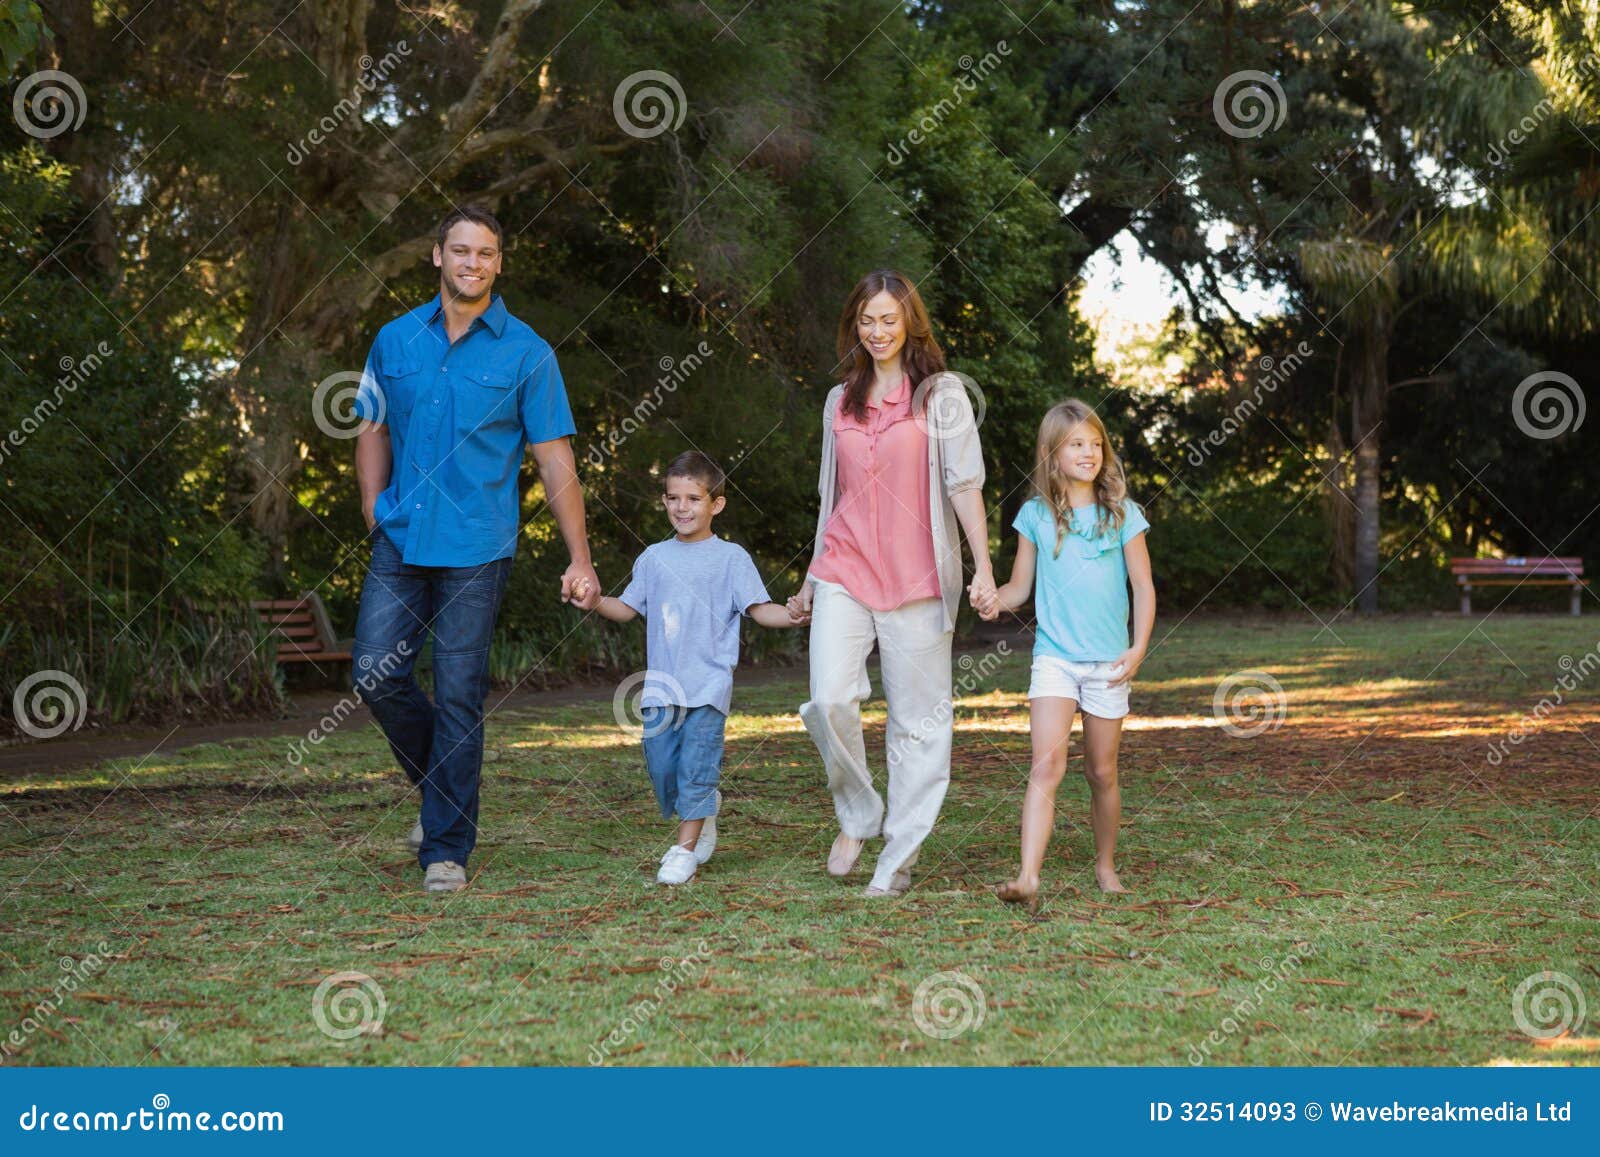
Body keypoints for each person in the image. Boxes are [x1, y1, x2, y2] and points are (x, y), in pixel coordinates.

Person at [351, 205, 599, 894]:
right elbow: (370, 424)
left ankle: (446, 850)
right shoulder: (394, 340)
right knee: (375, 671)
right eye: (460, 250)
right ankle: (442, 792)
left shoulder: (528, 352)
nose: (472, 263)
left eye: (485, 253)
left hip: (477, 547)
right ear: (437, 256)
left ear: (499, 262)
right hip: (401, 537)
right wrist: (372, 506)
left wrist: (580, 557)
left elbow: (556, 462)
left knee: (459, 692)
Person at [787, 269, 996, 898]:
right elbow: (833, 499)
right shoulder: (837, 402)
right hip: (845, 570)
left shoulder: (942, 395)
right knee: (828, 699)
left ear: (910, 323)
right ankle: (858, 813)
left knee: (918, 725)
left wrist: (983, 568)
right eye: (866, 320)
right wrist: (808, 583)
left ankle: (898, 857)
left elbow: (964, 485)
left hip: (919, 578)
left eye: (888, 319)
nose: (877, 332)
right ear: (855, 325)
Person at [574, 451, 802, 884]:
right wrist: (595, 601)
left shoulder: (731, 558)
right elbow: (626, 609)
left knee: (697, 767)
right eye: (673, 498)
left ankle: (684, 849)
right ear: (664, 502)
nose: (682, 507)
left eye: (693, 498)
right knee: (663, 768)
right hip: (660, 689)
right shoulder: (654, 557)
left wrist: (792, 615)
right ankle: (702, 808)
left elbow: (759, 608)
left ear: (716, 504)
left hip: (709, 686)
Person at [972, 399, 1155, 902]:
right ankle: (1029, 876)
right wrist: (993, 601)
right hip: (1054, 659)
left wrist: (1138, 648)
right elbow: (1018, 589)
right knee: (1046, 766)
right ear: (1053, 455)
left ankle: (1106, 865)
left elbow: (1143, 586)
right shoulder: (1035, 515)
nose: (1089, 452)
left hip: (1108, 662)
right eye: (1077, 444)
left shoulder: (1124, 515)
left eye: (1096, 444)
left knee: (1101, 770)